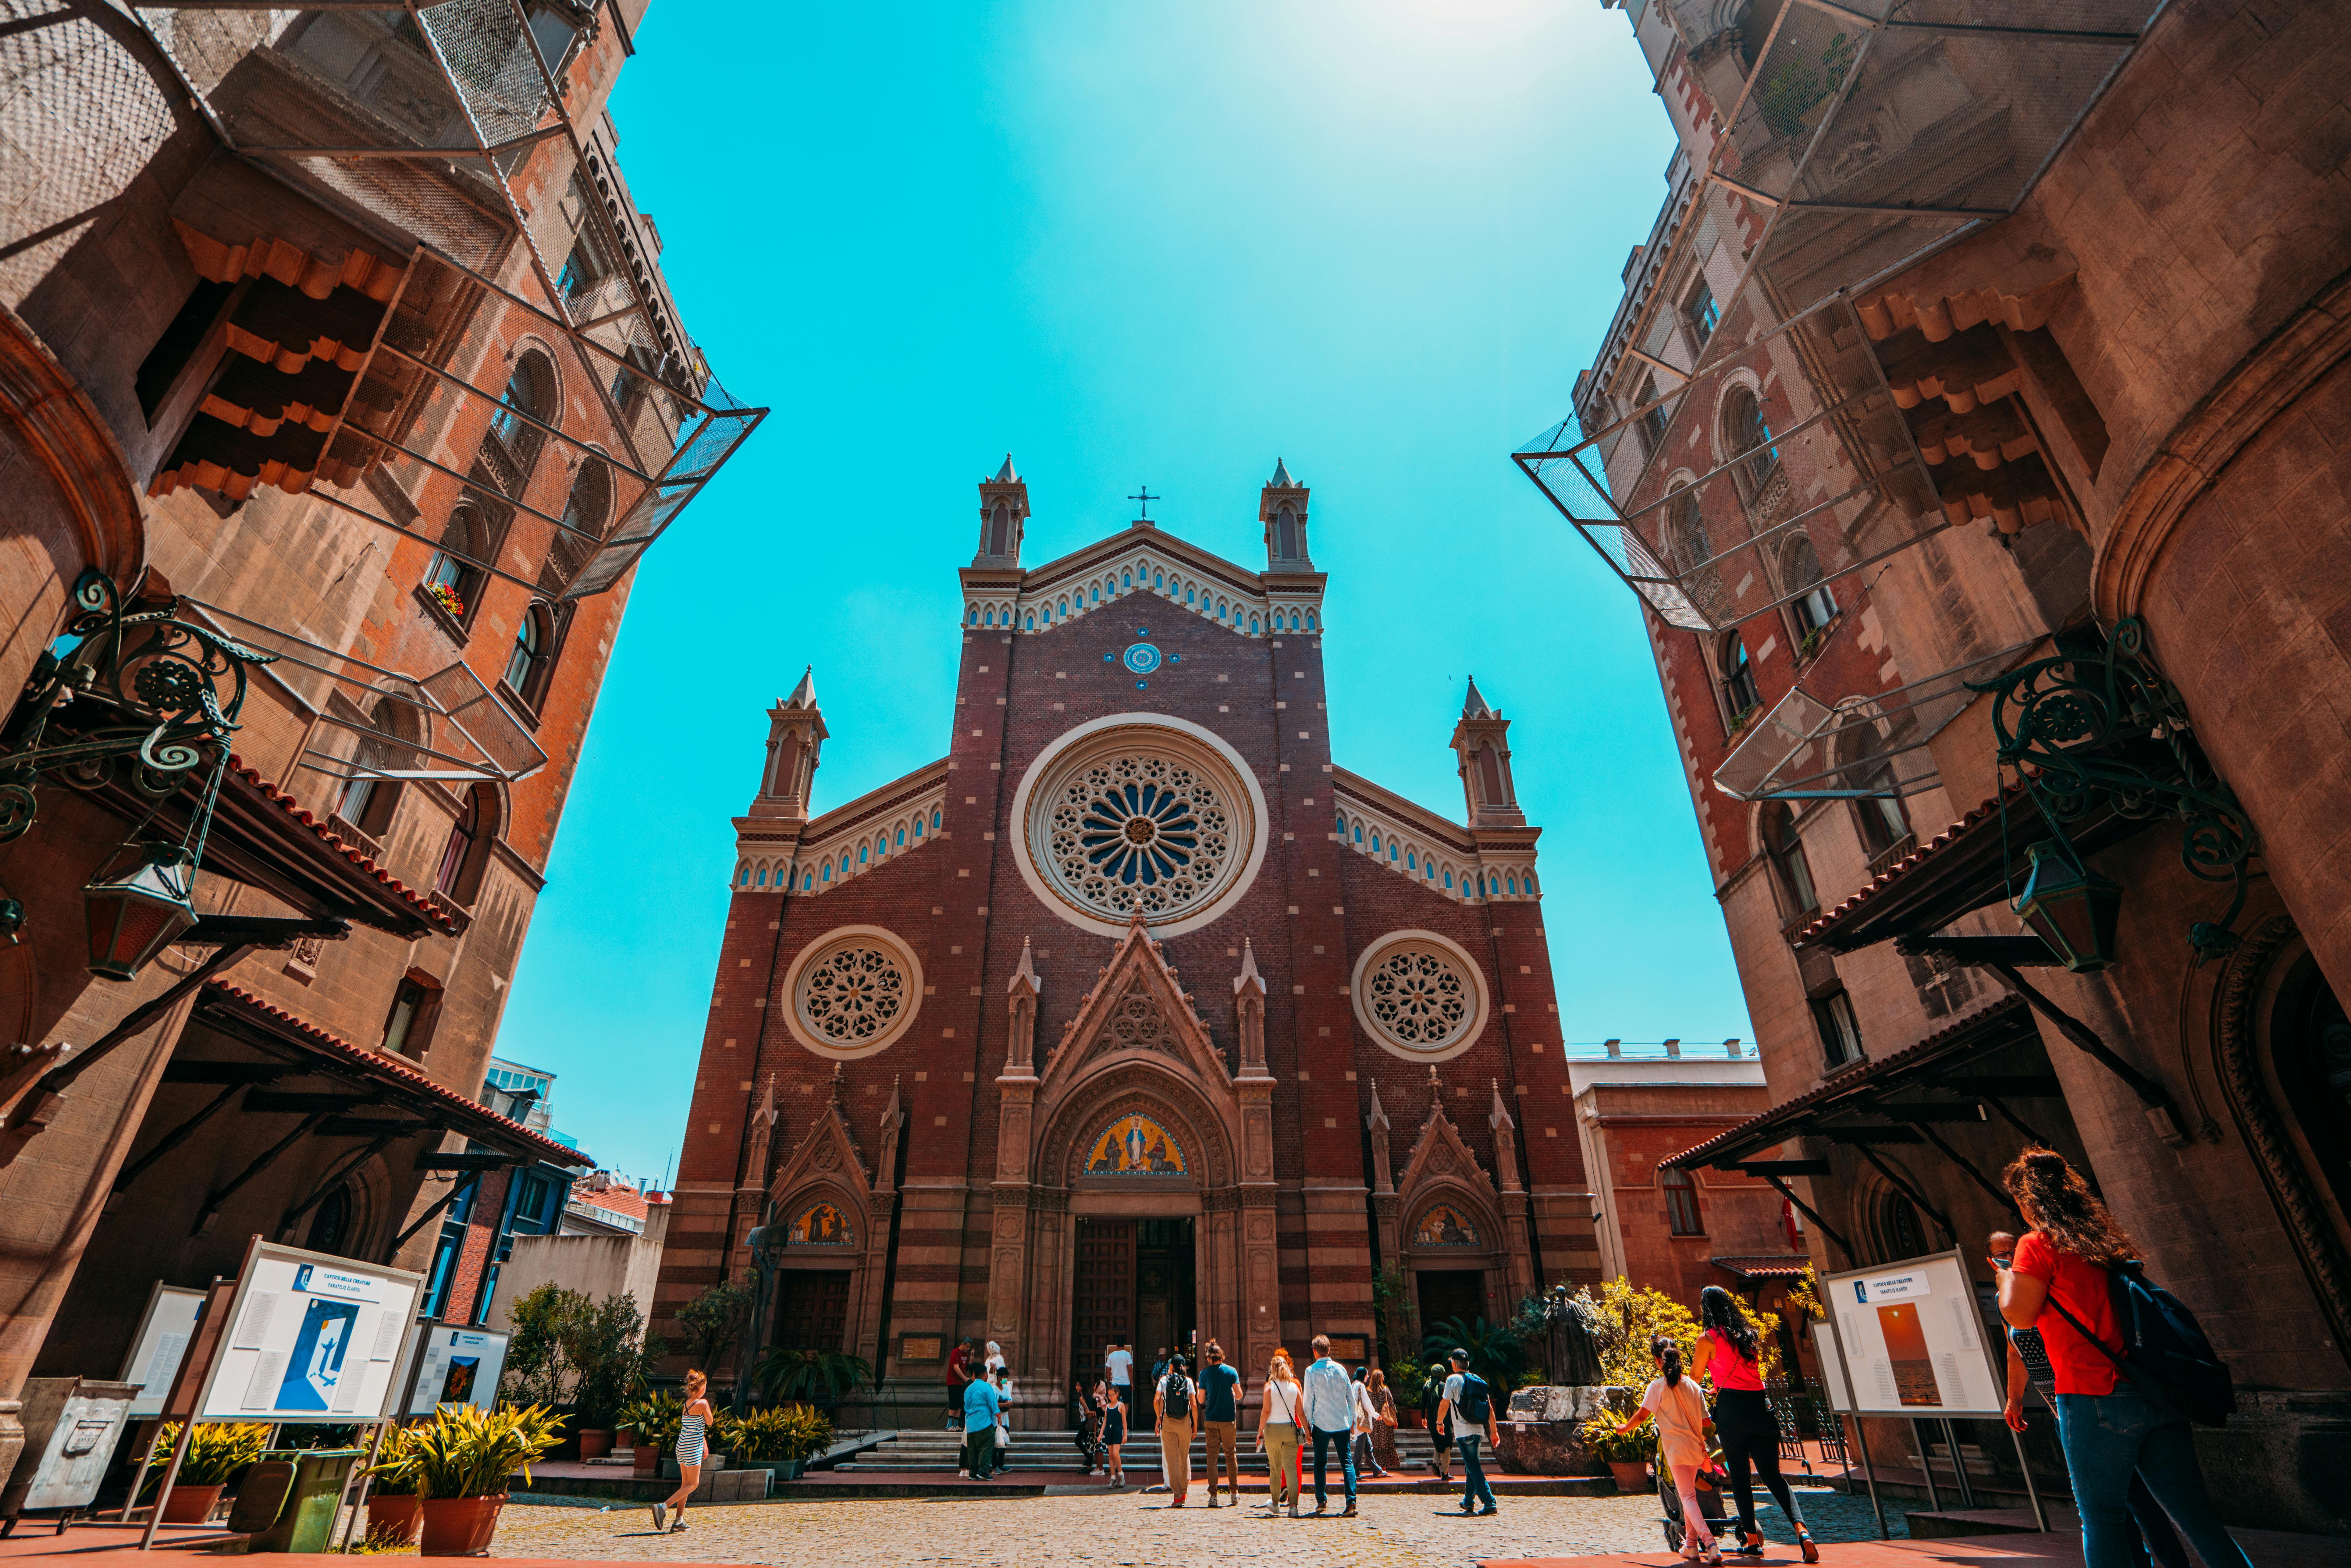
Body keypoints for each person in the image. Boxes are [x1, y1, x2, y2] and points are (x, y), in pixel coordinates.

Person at [1997, 1152, 2252, 1568]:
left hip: (2093, 1394)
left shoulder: (2037, 1243)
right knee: (2197, 1518)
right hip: (2154, 1388)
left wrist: (2007, 1277)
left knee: (2101, 1518)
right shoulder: (2103, 1241)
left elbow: (2019, 1315)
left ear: (2028, 1200)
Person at [1990, 1232, 2188, 1568]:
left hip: (2094, 1401)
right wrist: (2014, 1399)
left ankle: (2173, 1563)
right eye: (2000, 1255)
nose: (2008, 1258)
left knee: (2136, 1499)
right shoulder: (2008, 1299)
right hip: (2063, 1414)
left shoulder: (2041, 1287)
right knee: (2107, 1508)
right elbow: (2014, 1352)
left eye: (2012, 1251)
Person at [1691, 1285, 1817, 1563]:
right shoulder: (1748, 1336)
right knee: (1773, 1475)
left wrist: (1713, 1388)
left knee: (1740, 1477)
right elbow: (1747, 1375)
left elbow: (1694, 1380)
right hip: (1762, 1407)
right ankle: (1803, 1532)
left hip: (1732, 1411)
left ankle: (1751, 1541)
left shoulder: (1707, 1339)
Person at [1614, 1336, 1720, 1563]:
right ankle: (1691, 1546)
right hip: (1696, 1449)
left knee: (1688, 1497)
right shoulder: (1694, 1386)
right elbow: (1707, 1423)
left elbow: (1643, 1414)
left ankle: (1710, 1544)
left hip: (1676, 1450)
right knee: (1689, 1495)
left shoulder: (1658, 1386)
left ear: (1657, 1360)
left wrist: (1625, 1428)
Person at [1438, 1348, 1501, 1517]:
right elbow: (1490, 1410)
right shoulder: (1478, 1380)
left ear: (1454, 1363)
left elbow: (1445, 1404)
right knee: (1471, 1466)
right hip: (1479, 1430)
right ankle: (1468, 1502)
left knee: (1473, 1466)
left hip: (1463, 1431)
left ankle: (1489, 1502)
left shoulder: (1453, 1380)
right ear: (1467, 1364)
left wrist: (1439, 1422)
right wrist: (1494, 1432)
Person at [1301, 1334, 1359, 1516]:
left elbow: (1308, 1402)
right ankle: (1351, 1502)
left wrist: (1308, 1427)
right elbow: (1351, 1397)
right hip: (1342, 1422)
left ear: (1314, 1352)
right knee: (1347, 1462)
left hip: (1321, 1424)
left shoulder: (1311, 1371)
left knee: (1320, 1462)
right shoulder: (1341, 1369)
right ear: (1330, 1350)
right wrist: (1351, 1420)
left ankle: (1321, 1501)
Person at [652, 1369, 711, 1533]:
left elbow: (693, 1428)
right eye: (705, 1386)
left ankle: (679, 1521)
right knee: (693, 1484)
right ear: (701, 1388)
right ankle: (662, 1507)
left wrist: (704, 1443)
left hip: (683, 1445)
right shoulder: (703, 1403)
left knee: (685, 1485)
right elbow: (710, 1422)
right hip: (693, 1448)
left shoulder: (687, 1404)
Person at [1257, 1350, 1304, 1517]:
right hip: (1291, 1429)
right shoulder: (1294, 1386)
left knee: (1276, 1469)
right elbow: (1301, 1412)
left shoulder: (1269, 1387)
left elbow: (1266, 1410)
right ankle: (1294, 1507)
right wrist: (1307, 1431)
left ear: (1273, 1370)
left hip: (1273, 1430)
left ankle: (1276, 1504)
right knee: (1291, 1468)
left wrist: (1260, 1431)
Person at [1197, 1339, 1242, 1507]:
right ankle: (1234, 1493)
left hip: (1211, 1419)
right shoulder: (1231, 1371)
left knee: (1212, 1459)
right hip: (1228, 1420)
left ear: (1209, 1358)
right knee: (1231, 1456)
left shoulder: (1204, 1374)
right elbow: (1239, 1395)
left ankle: (1214, 1496)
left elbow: (1201, 1400)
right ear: (1222, 1356)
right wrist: (1230, 1391)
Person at [1155, 1352, 1198, 1506]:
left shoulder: (1164, 1381)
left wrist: (1159, 1419)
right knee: (1183, 1457)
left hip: (1168, 1420)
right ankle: (1185, 1494)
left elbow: (1156, 1401)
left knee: (1172, 1460)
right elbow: (1194, 1405)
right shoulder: (1189, 1381)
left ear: (1171, 1366)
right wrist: (1195, 1425)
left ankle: (1177, 1497)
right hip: (1185, 1420)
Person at [961, 1355, 1004, 1481]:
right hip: (984, 1423)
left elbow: (966, 1405)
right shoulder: (987, 1387)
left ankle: (973, 1473)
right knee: (986, 1446)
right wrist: (999, 1415)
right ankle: (984, 1471)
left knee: (973, 1450)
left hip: (971, 1425)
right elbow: (993, 1403)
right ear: (985, 1374)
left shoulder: (969, 1389)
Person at [1350, 1365, 1390, 1479]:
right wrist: (1376, 1415)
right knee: (1360, 1449)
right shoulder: (1361, 1386)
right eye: (1367, 1374)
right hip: (1362, 1422)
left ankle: (1377, 1470)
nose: (1368, 1376)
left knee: (1368, 1447)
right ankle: (1354, 1472)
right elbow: (1367, 1403)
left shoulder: (1354, 1385)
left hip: (1358, 1421)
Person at [1421, 1361, 1453, 1481]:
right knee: (1446, 1445)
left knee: (1438, 1442)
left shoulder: (1427, 1385)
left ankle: (1435, 1464)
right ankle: (1445, 1473)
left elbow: (1423, 1403)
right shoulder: (1443, 1386)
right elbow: (1447, 1404)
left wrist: (1423, 1418)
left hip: (1431, 1418)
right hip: (1443, 1418)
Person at [1366, 1367, 1401, 1476]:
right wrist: (1395, 1421)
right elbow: (1391, 1405)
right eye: (1382, 1377)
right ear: (1379, 1379)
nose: (1384, 1379)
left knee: (1375, 1446)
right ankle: (1384, 1469)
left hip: (1373, 1422)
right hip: (1385, 1422)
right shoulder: (1385, 1390)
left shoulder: (1368, 1391)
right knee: (1385, 1445)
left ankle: (1376, 1468)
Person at [1101, 1378, 1129, 1488]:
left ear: (1117, 1394)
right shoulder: (1107, 1406)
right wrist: (1101, 1434)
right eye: (1109, 1395)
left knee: (1116, 1454)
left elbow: (1124, 1422)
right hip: (1109, 1431)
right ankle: (1113, 1478)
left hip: (1117, 1431)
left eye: (1112, 1395)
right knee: (1111, 1455)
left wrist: (1125, 1435)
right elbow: (1105, 1421)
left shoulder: (1121, 1405)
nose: (1111, 1397)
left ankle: (1121, 1474)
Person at [946, 1337, 976, 1431]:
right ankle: (949, 1425)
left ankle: (956, 1425)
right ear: (963, 1344)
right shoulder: (956, 1352)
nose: (968, 1349)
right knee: (954, 1403)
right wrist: (965, 1379)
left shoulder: (966, 1354)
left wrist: (971, 1357)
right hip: (953, 1382)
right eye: (967, 1347)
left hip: (961, 1383)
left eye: (969, 1347)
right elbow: (956, 1368)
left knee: (960, 1404)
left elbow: (966, 1367)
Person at [1104, 1337, 1134, 1430]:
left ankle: (1115, 1423)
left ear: (1116, 1346)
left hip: (1115, 1383)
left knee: (1114, 1403)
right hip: (1125, 1383)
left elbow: (1108, 1370)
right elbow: (1130, 1370)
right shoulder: (1127, 1355)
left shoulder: (1111, 1356)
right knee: (1126, 1404)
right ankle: (1123, 1422)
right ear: (1124, 1345)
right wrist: (1132, 1383)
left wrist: (1109, 1383)